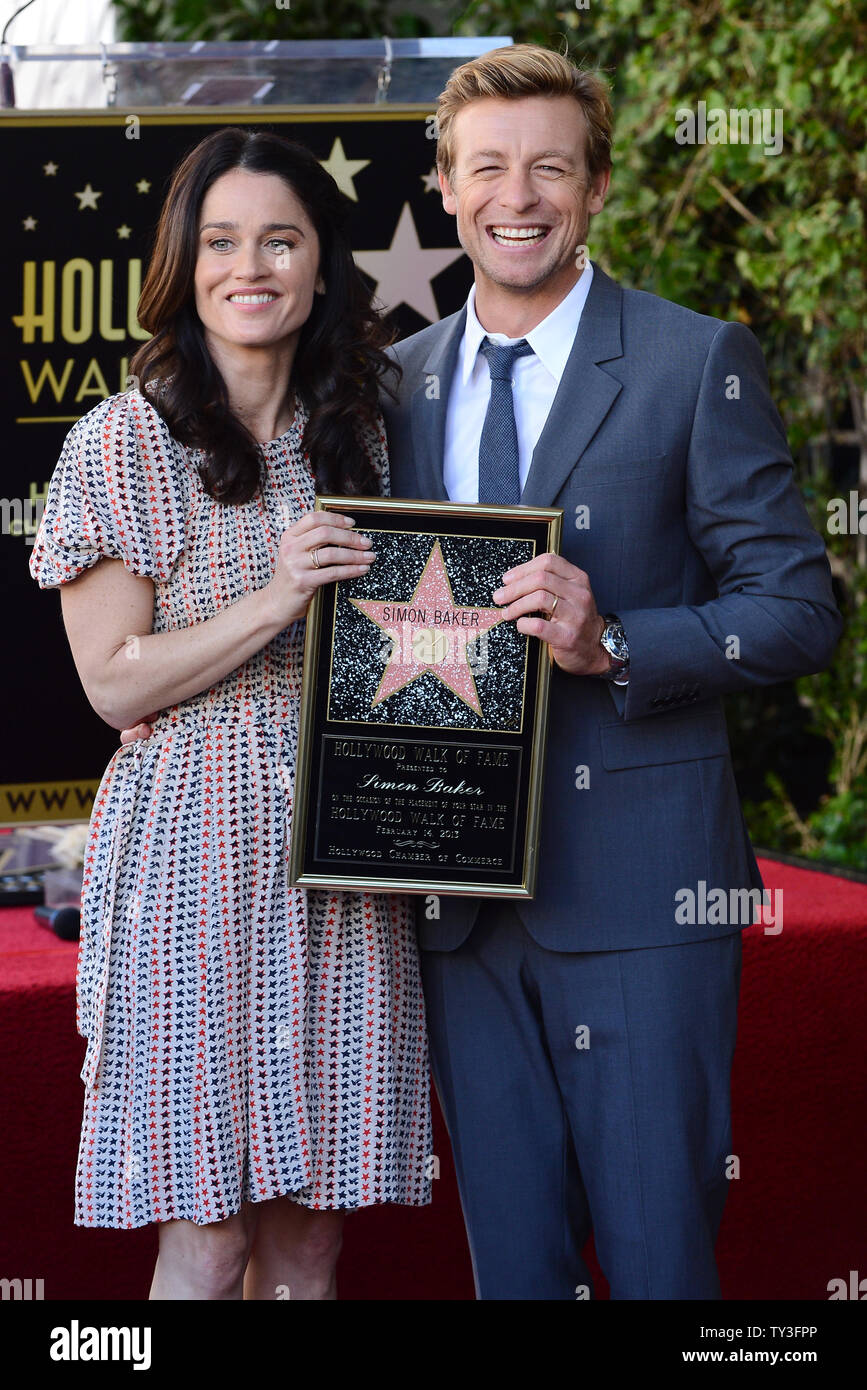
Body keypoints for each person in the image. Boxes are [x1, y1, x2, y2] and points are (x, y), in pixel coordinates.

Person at [380, 45, 842, 1299]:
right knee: (514, 1273)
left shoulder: (699, 361)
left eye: (548, 167)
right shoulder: (391, 385)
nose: (515, 194)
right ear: (444, 188)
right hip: (457, 907)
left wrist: (617, 638)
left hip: (645, 906)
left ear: (591, 195)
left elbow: (800, 609)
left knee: (657, 1265)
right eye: (487, 167)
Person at [30, 128, 431, 1301]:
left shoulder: (361, 431)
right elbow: (113, 682)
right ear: (183, 262)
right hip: (189, 854)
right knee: (205, 1235)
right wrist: (275, 598)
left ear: (319, 266)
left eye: (280, 238)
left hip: (347, 854)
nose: (248, 265)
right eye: (220, 240)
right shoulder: (123, 436)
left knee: (311, 1232)